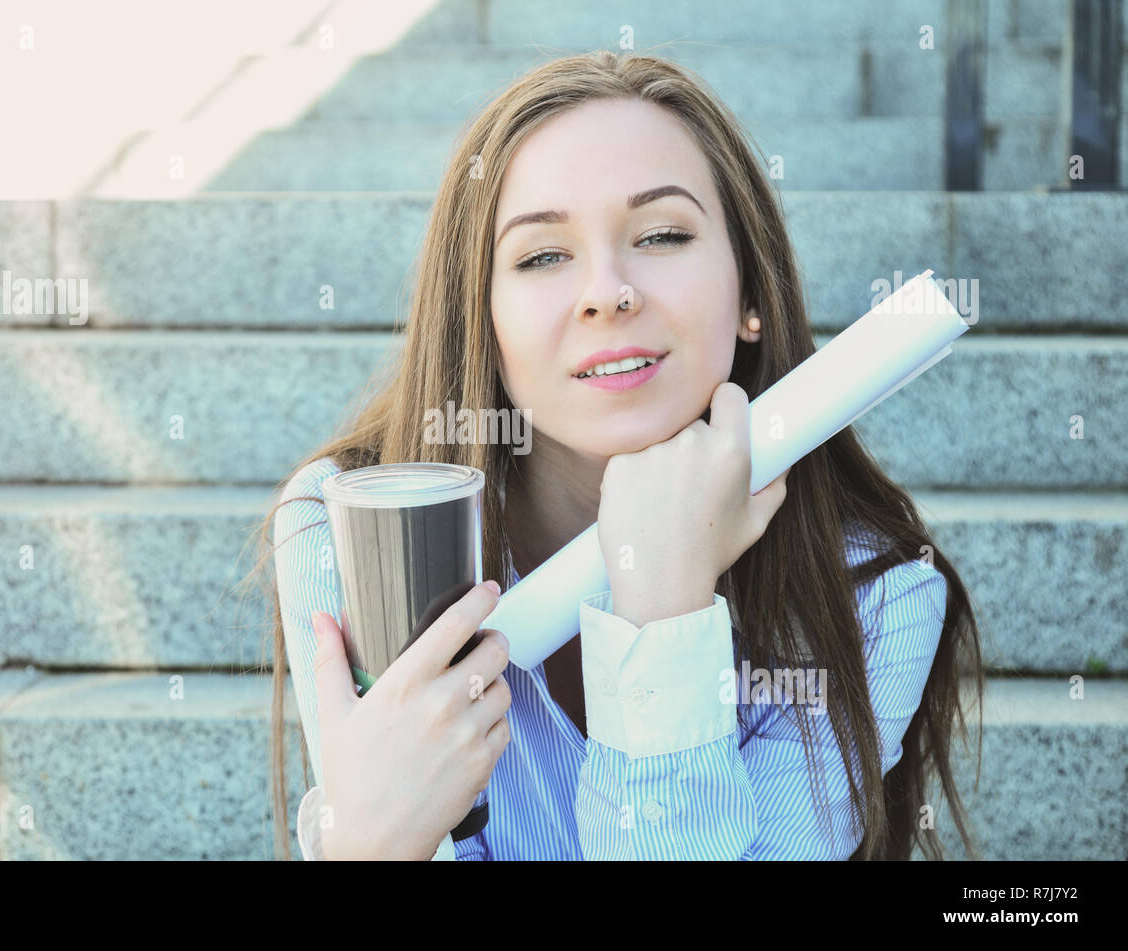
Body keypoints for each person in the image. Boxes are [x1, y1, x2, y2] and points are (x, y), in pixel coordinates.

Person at [242, 49, 984, 860]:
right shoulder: (350, 524)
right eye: (542, 256)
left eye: (662, 234)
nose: (607, 291)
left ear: (750, 296)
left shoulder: (873, 598)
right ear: (481, 321)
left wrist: (664, 609)